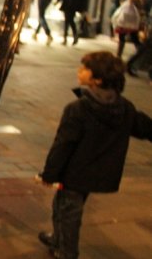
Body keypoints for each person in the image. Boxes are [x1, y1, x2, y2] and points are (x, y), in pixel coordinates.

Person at [38, 51, 152, 259]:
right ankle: (57, 239)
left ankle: (67, 252)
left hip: (75, 173)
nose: (78, 71)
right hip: (100, 173)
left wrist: (49, 173)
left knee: (68, 213)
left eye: (84, 69)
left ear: (97, 80)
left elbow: (63, 145)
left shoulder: (78, 109)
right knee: (62, 205)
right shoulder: (124, 108)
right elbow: (145, 127)